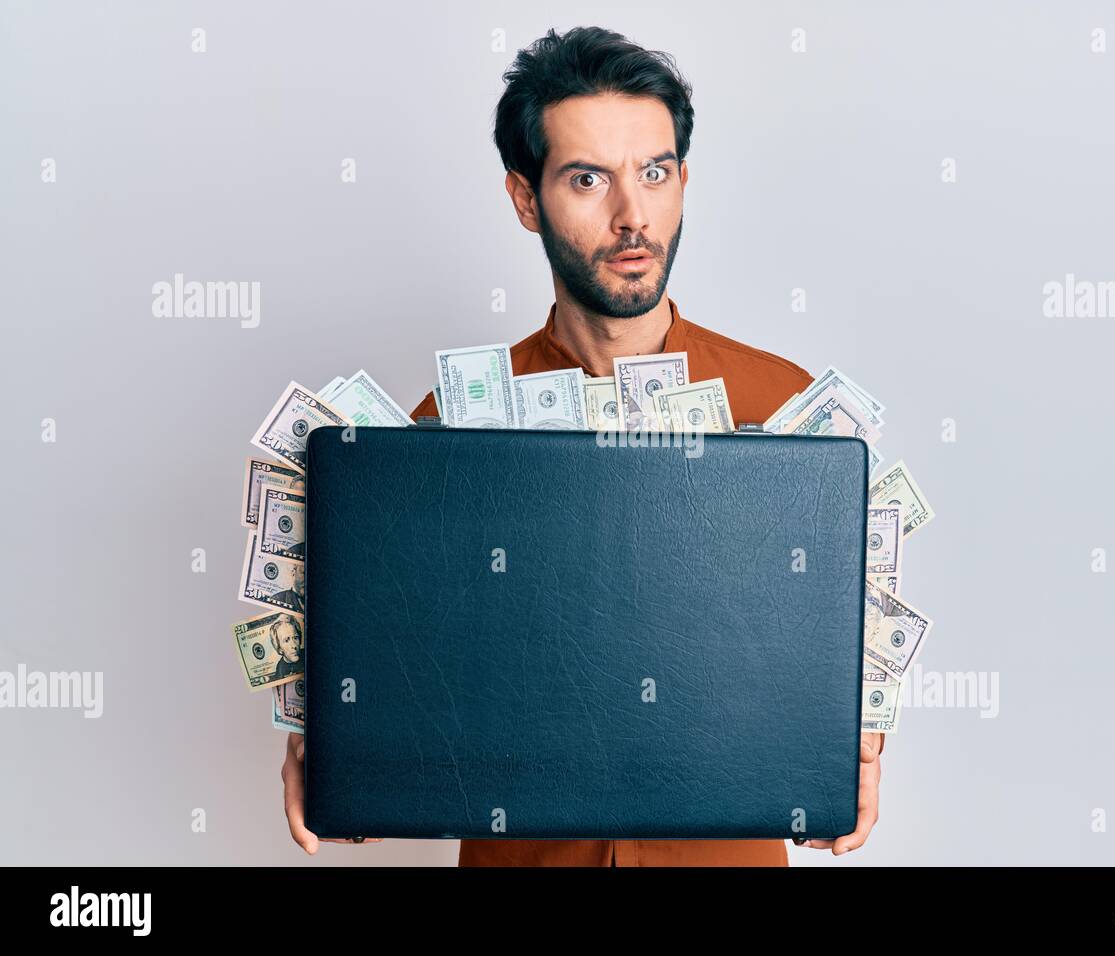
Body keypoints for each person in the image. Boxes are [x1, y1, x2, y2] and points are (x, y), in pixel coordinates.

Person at [282, 24, 882, 866]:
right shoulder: (438, 436)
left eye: (656, 171)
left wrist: (857, 748)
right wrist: (339, 740)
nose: (633, 215)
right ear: (526, 199)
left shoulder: (785, 411)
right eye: (588, 178)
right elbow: (400, 672)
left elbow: (832, 653)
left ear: (684, 182)